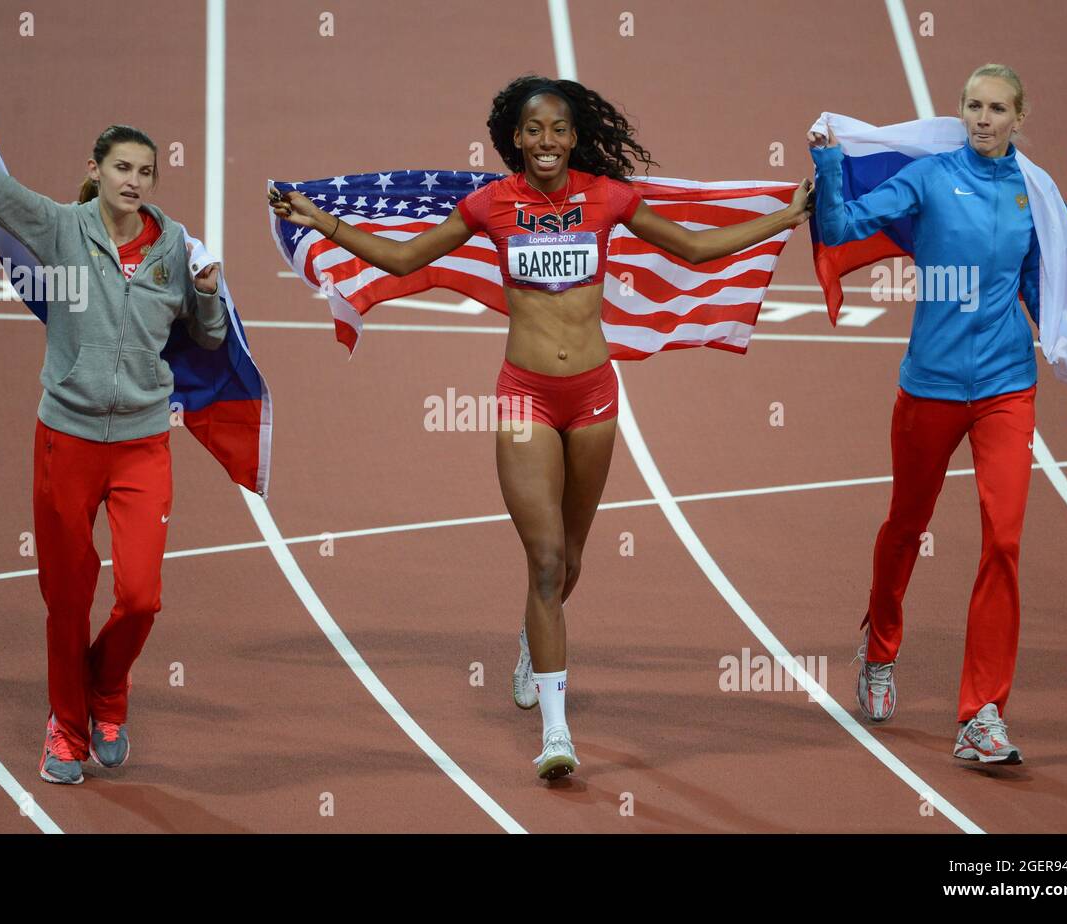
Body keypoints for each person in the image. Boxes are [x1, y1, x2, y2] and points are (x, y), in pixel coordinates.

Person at [272, 76, 812, 780]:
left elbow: (695, 250)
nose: (548, 141)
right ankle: (557, 736)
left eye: (559, 128)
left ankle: (535, 638)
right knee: (548, 560)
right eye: (534, 130)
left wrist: (785, 217)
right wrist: (324, 223)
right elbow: (408, 260)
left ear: (574, 136)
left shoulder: (607, 197)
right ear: (516, 139)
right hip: (524, 395)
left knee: (573, 558)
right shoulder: (491, 204)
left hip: (593, 398)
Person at [0, 31, 228, 784]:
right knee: (67, 599)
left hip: (140, 445)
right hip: (65, 438)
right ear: (95, 172)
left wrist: (208, 292)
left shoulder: (174, 246)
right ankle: (66, 729)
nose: (134, 180)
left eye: (145, 172)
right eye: (121, 167)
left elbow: (209, 338)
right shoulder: (63, 228)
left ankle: (108, 689)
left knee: (140, 597)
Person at [809, 64, 1043, 764]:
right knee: (907, 525)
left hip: (1007, 388)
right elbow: (844, 224)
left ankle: (982, 716)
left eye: (997, 108)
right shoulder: (932, 177)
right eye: (973, 105)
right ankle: (880, 648)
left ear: (1018, 118)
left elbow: (1044, 281)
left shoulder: (1037, 193)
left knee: (1003, 542)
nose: (982, 118)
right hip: (932, 388)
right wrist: (825, 161)